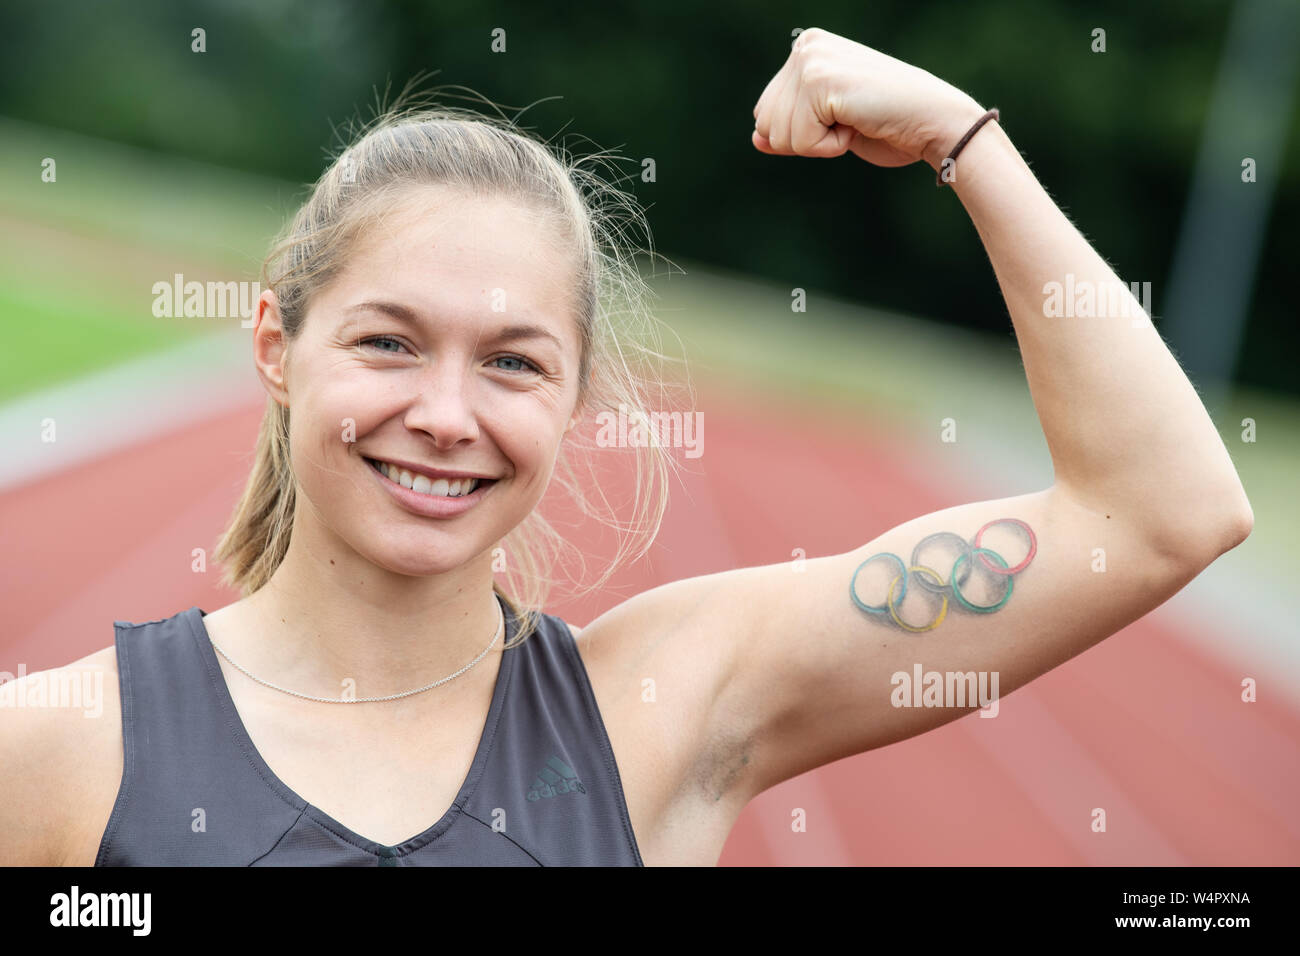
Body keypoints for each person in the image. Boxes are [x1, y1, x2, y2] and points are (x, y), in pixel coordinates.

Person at [0, 27, 1252, 866]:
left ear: (576, 397)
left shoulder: (657, 709)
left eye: (512, 361)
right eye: (387, 342)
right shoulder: (59, 748)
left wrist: (959, 141)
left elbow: (1155, 510)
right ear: (276, 344)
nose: (446, 411)